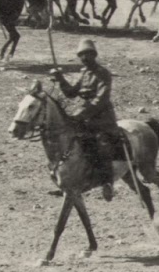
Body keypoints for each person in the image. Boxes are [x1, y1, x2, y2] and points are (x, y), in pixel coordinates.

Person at [51, 38, 120, 182]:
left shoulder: (103, 73)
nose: (84, 58)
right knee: (69, 141)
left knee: (99, 143)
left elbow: (101, 99)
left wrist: (81, 114)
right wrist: (60, 79)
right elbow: (71, 93)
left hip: (102, 116)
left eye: (87, 54)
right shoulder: (84, 73)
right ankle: (69, 176)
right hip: (84, 114)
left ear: (94, 55)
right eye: (81, 55)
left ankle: (105, 180)